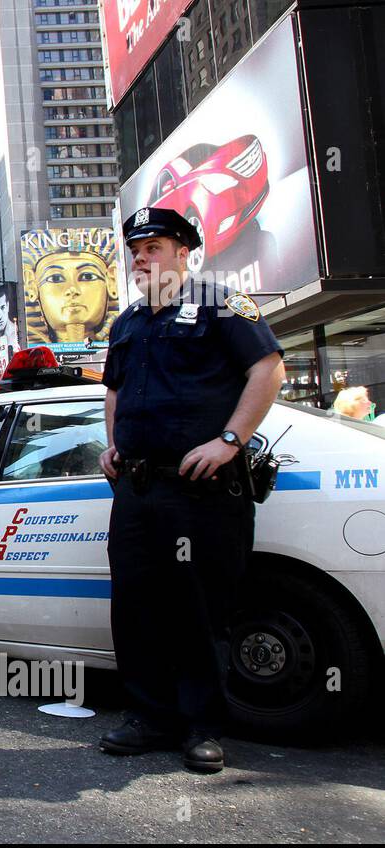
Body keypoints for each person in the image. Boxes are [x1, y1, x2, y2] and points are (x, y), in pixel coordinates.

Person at [97, 206, 285, 774]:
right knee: (135, 604)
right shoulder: (127, 322)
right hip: (138, 487)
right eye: (135, 251)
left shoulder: (220, 304)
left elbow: (269, 368)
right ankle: (148, 717)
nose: (141, 259)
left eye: (153, 248)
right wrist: (112, 445)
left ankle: (203, 726)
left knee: (200, 609)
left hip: (199, 490)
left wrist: (231, 439)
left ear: (184, 252)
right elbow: (115, 391)